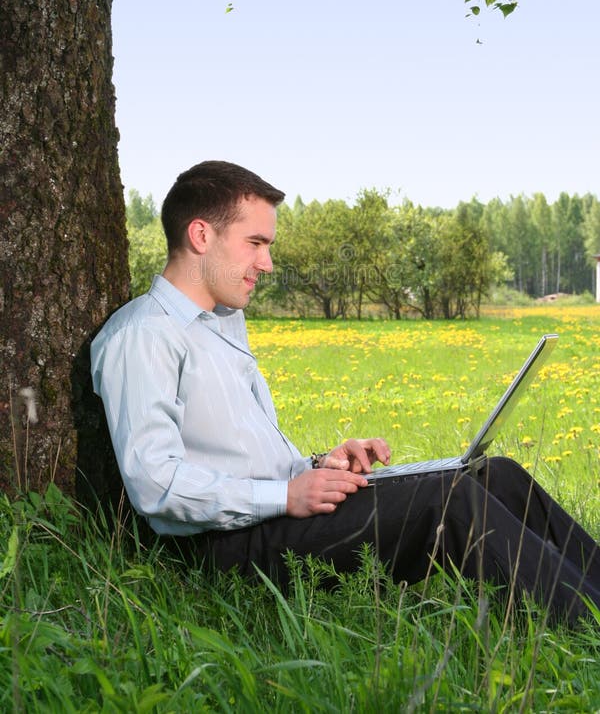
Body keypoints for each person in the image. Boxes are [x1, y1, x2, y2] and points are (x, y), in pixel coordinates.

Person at [91, 160, 600, 627]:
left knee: (492, 474)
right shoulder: (144, 335)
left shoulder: (223, 323)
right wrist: (285, 496)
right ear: (201, 235)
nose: (267, 263)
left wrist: (319, 467)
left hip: (273, 514)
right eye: (255, 243)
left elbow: (241, 452)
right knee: (450, 499)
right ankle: (588, 623)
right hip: (228, 547)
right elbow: (154, 484)